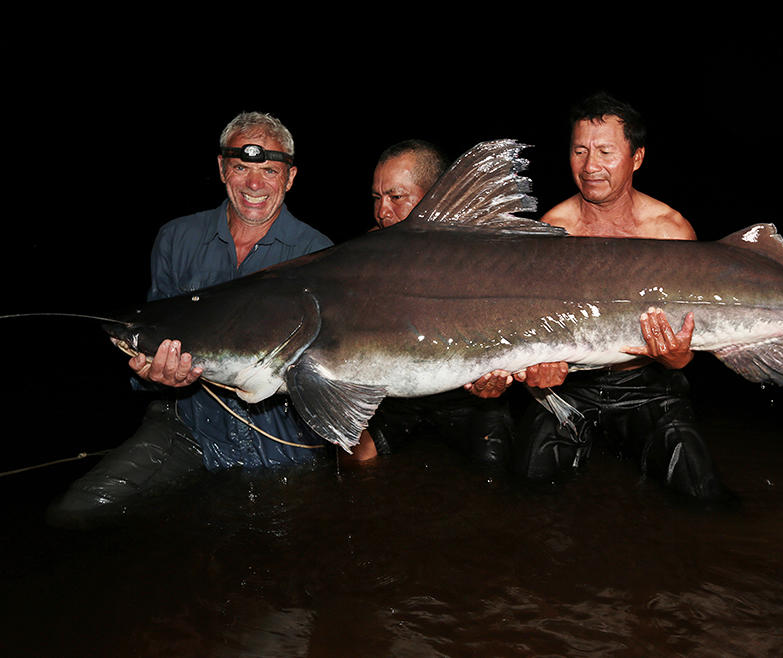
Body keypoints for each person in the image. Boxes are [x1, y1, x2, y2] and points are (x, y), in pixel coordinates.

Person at [48, 112, 334, 523]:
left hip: (280, 436)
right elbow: (150, 336)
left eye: (269, 170)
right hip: (188, 423)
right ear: (222, 169)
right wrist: (150, 372)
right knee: (77, 511)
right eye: (241, 168)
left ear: (289, 178)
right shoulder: (176, 238)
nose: (255, 185)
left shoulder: (320, 254)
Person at [504, 92, 727, 499]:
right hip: (573, 384)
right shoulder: (553, 230)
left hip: (648, 384)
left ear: (637, 157)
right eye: (580, 151)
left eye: (606, 151)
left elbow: (689, 343)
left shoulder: (670, 231)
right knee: (527, 479)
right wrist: (537, 370)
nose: (590, 166)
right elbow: (530, 327)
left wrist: (680, 358)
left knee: (698, 482)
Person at [345, 139, 513, 465]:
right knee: (355, 462)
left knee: (496, 472)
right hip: (398, 397)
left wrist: (497, 382)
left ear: (434, 196)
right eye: (377, 198)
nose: (383, 211)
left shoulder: (476, 253)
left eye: (396, 197)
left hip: (465, 397)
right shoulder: (364, 254)